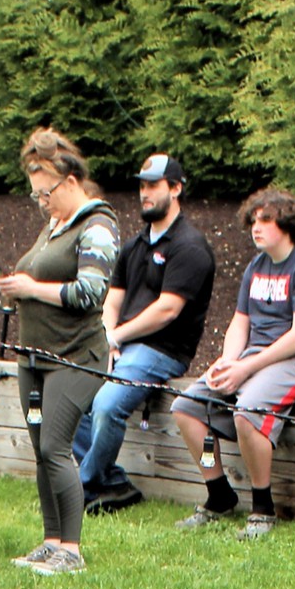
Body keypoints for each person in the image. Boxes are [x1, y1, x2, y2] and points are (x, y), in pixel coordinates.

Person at [171, 186, 295, 540]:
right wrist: (228, 362)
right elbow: (240, 323)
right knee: (186, 407)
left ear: (288, 224)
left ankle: (262, 508)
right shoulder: (257, 266)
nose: (256, 227)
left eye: (266, 219)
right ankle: (218, 494)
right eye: (253, 219)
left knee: (247, 410)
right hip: (254, 358)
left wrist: (246, 369)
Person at [0, 129, 119, 576]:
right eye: (35, 196)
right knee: (40, 450)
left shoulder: (98, 225)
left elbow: (91, 292)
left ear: (68, 181)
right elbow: (40, 280)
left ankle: (73, 550)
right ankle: (50, 542)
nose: (41, 203)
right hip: (34, 357)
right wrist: (16, 292)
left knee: (55, 446)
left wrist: (32, 288)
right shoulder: (55, 226)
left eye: (45, 193)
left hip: (75, 356)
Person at [72, 154, 215, 515]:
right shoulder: (135, 246)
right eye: (142, 185)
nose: (145, 193)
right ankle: (114, 484)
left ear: (176, 188)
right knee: (70, 396)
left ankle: (80, 489)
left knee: (105, 405)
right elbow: (112, 300)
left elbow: (167, 310)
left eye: (153, 185)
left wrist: (118, 336)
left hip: (162, 349)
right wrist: (107, 337)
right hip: (124, 343)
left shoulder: (190, 246)